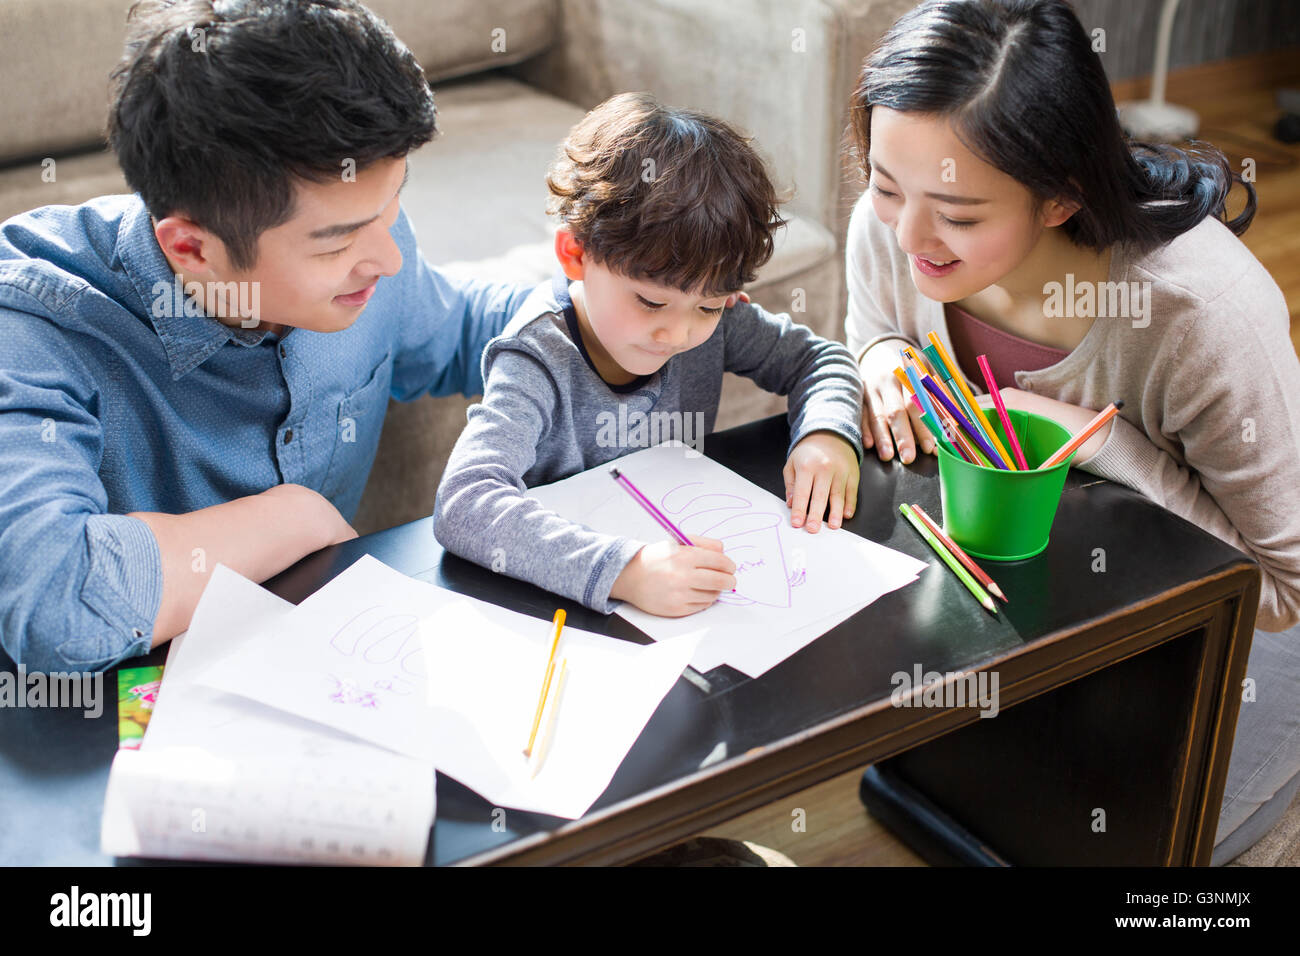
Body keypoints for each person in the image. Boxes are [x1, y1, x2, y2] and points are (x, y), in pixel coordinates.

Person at [845, 0, 1300, 863]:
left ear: (1062, 194)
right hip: (1029, 609)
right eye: (883, 184)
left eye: (959, 213)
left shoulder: (1201, 318)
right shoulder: (899, 226)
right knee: (932, 792)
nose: (906, 235)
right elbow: (875, 325)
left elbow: (1284, 587)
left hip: (1208, 646)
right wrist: (876, 357)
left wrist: (1101, 446)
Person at [0, 0, 533, 672]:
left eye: (392, 205)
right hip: (96, 732)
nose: (388, 258)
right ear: (192, 249)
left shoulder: (370, 252)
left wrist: (622, 302)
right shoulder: (31, 321)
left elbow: (464, 331)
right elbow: (56, 608)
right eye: (337, 240)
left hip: (321, 671)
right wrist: (292, 520)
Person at [433, 93, 864, 617]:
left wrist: (826, 434)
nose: (677, 333)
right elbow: (464, 504)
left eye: (707, 307)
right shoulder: (536, 356)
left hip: (691, 585)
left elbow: (820, 359)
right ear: (576, 254)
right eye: (651, 301)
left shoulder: (715, 320)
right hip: (566, 610)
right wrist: (624, 571)